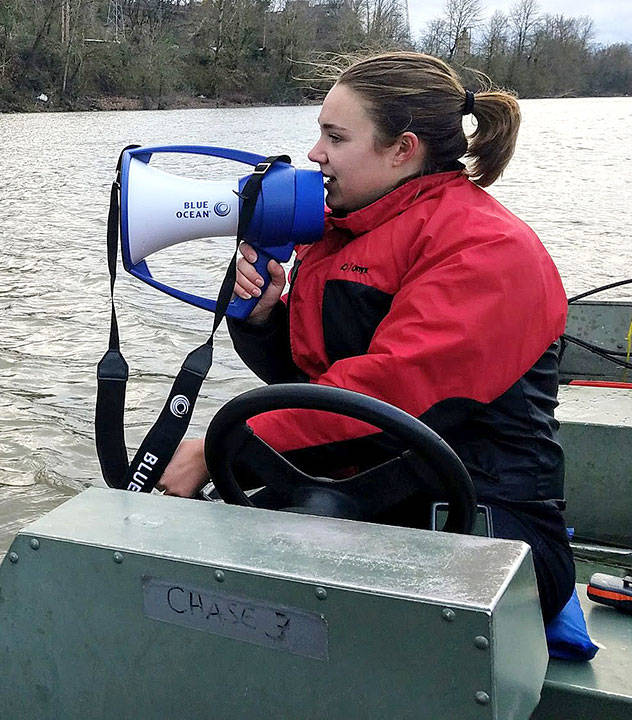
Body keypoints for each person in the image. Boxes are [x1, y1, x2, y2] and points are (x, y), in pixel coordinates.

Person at [156, 51, 575, 621]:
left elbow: (388, 392)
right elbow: (316, 381)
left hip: (489, 527)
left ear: (403, 149)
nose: (314, 154)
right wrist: (264, 320)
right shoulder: (346, 231)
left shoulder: (487, 249)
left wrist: (223, 448)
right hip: (366, 491)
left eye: (335, 137)